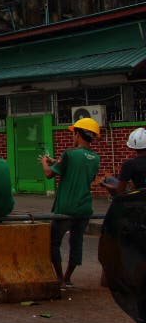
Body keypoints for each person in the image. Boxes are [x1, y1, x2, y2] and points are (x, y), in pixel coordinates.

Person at [39, 117, 101, 288]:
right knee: (76, 242)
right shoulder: (96, 158)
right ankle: (68, 277)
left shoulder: (69, 154)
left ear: (78, 134)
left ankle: (59, 277)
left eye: (74, 133)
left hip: (66, 207)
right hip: (84, 207)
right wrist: (56, 162)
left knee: (54, 242)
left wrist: (45, 163)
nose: (72, 137)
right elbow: (80, 171)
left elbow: (49, 174)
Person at [103, 127, 146, 196]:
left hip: (139, 200)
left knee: (109, 179)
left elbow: (120, 191)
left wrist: (104, 184)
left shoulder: (130, 164)